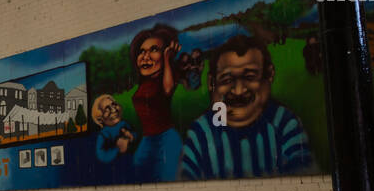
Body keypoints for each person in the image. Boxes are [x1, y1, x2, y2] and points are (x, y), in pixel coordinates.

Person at [179, 34, 314, 179]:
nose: (238, 90)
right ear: (212, 83)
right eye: (227, 79)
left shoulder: (284, 123)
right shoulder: (201, 131)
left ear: (269, 75)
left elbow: (302, 175)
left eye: (250, 77)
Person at [129, 24, 183, 181]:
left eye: (153, 50)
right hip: (147, 140)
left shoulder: (165, 80)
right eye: (141, 52)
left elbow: (168, 89)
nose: (145, 56)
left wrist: (167, 58)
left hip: (165, 140)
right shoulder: (144, 83)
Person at [91, 94, 135, 163]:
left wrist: (131, 136)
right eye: (107, 110)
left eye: (114, 105)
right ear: (100, 119)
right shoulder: (104, 134)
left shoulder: (123, 124)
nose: (114, 110)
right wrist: (117, 149)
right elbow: (101, 155)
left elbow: (134, 133)